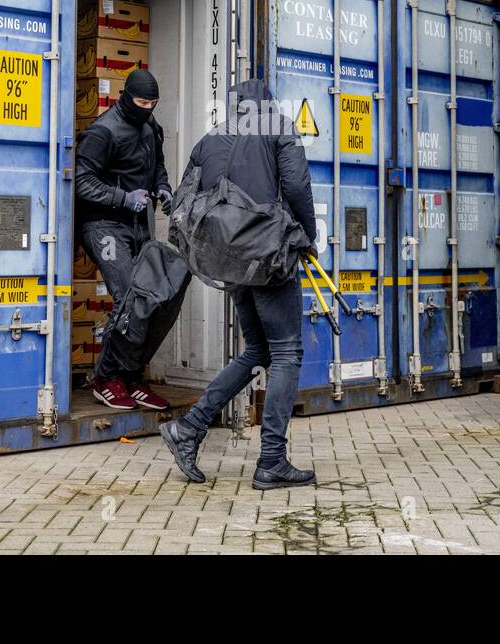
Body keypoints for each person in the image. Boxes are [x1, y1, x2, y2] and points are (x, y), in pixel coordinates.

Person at [159, 78, 319, 490]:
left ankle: (189, 429)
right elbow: (298, 187)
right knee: (286, 352)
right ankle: (271, 461)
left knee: (259, 350)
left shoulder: (210, 139)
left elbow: (183, 198)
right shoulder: (279, 128)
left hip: (228, 262)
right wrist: (309, 237)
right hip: (267, 258)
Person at [74, 68, 174, 410]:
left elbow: (157, 165)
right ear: (126, 96)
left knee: (154, 300)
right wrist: (122, 197)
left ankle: (131, 378)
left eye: (153, 103)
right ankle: (106, 379)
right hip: (103, 224)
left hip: (138, 224)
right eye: (142, 102)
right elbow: (82, 183)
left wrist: (163, 188)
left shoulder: (150, 127)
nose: (147, 108)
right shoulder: (103, 131)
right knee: (130, 297)